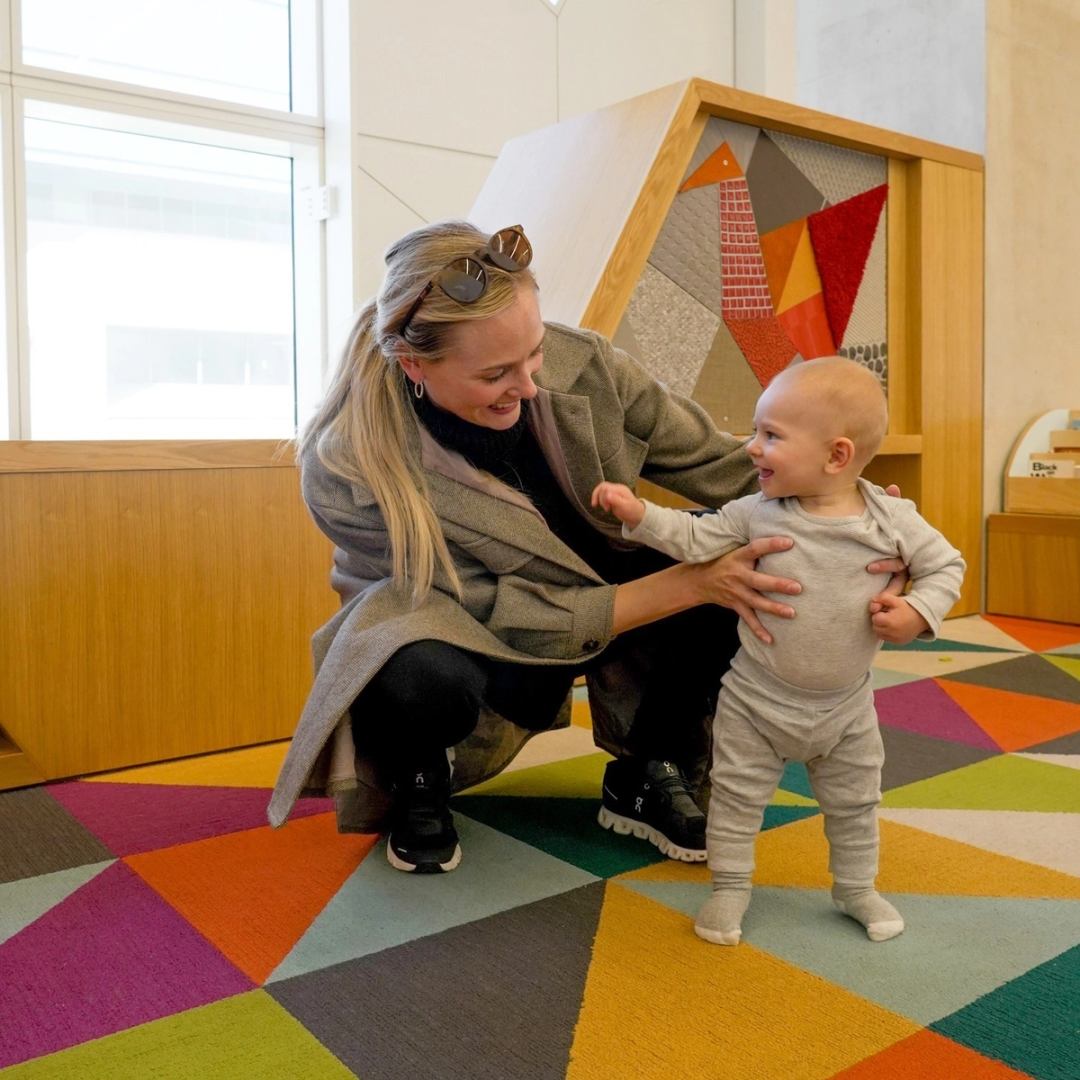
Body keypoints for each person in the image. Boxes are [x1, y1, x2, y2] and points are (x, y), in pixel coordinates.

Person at [266, 221, 906, 876]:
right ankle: (419, 777)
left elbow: (722, 462)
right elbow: (484, 607)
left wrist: (842, 509)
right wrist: (688, 584)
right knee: (414, 668)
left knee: (764, 542)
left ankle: (649, 765)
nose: (529, 384)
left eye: (534, 353)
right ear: (414, 365)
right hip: (471, 629)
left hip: (603, 581)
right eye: (495, 373)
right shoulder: (346, 462)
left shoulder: (586, 364)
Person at [592, 356, 964, 944]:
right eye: (755, 431)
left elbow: (945, 565)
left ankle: (856, 888)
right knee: (737, 800)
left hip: (846, 708)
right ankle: (731, 889)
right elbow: (693, 538)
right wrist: (639, 516)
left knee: (856, 804)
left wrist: (920, 612)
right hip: (756, 701)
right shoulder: (754, 512)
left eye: (771, 436)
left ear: (836, 455)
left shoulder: (893, 519)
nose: (750, 448)